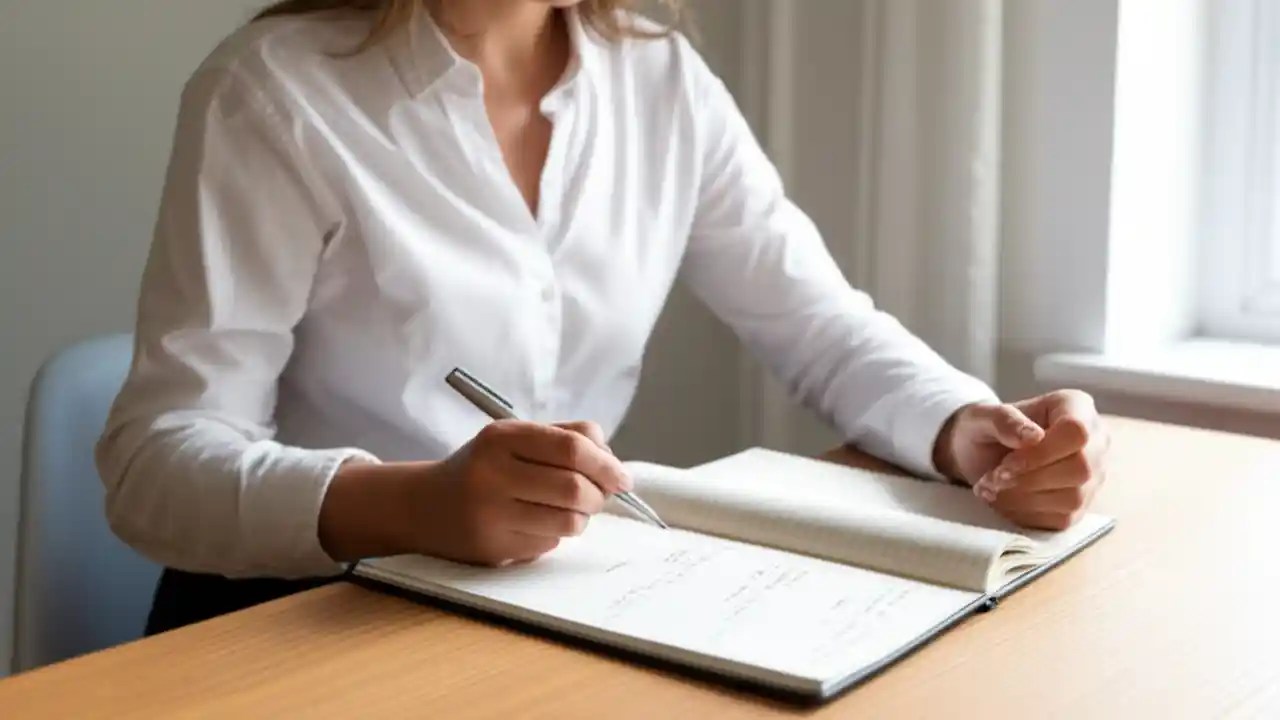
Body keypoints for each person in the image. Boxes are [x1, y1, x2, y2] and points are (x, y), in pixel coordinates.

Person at [96, 0, 1110, 635]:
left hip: (541, 610)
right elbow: (156, 466)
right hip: (294, 621)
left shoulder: (658, 79)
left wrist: (971, 430)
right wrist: (416, 504)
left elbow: (819, 324)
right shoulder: (277, 92)